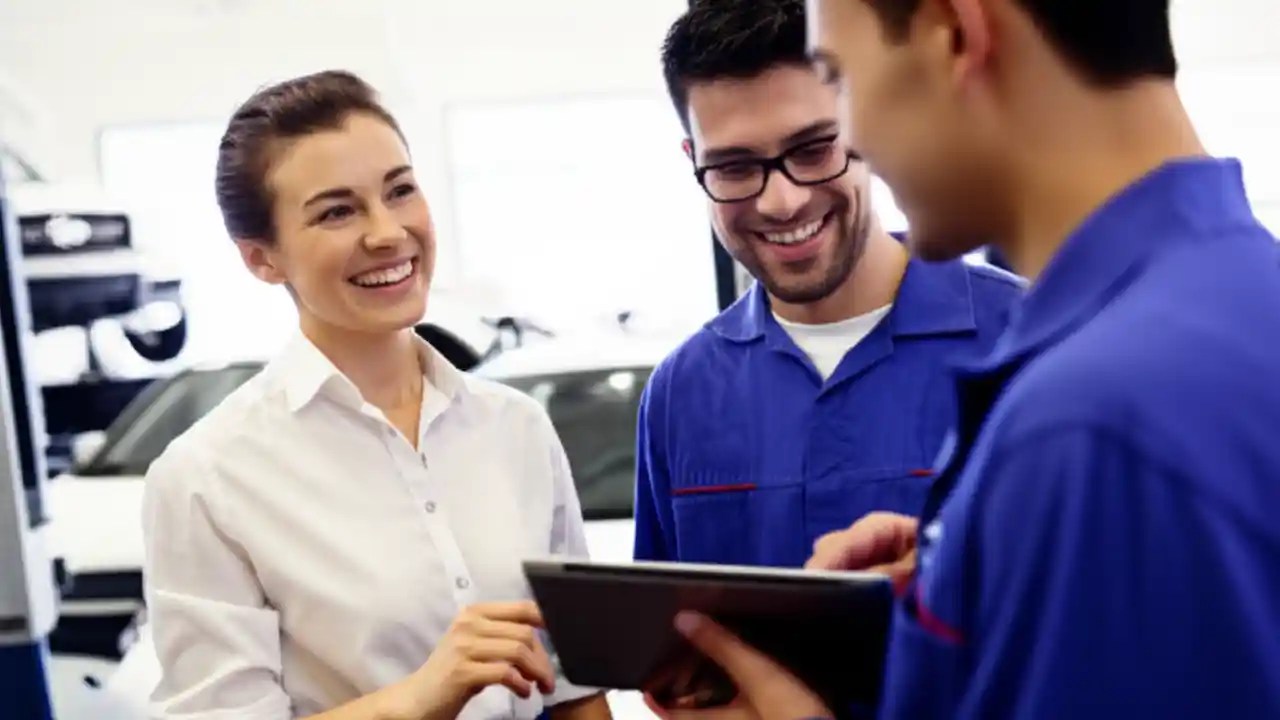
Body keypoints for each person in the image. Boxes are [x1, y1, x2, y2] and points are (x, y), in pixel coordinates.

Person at [649, 0, 1280, 718]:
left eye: (841, 78)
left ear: (954, 34)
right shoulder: (1229, 303)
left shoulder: (1092, 417)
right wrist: (972, 565)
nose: (854, 139)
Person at [140, 70, 611, 720]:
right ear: (261, 259)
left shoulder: (516, 427)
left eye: (400, 190)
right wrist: (417, 698)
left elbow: (574, 687)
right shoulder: (206, 478)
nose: (387, 232)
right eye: (337, 211)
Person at [632, 0, 1023, 568]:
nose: (782, 201)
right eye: (734, 167)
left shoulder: (1021, 340)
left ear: (863, 124)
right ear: (694, 161)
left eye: (814, 150)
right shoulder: (680, 393)